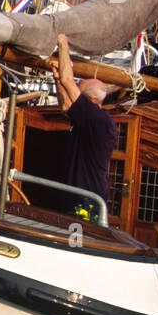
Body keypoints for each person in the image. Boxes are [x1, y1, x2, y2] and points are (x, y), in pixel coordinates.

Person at [51, 32, 119, 212]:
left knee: (79, 236)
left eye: (79, 95)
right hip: (78, 194)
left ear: (90, 100)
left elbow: (68, 80)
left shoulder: (100, 121)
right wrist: (57, 80)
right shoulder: (89, 119)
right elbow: (66, 106)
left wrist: (63, 44)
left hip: (88, 200)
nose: (76, 99)